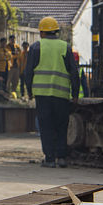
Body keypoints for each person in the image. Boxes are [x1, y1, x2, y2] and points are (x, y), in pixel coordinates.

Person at [23, 16, 81, 168]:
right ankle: (61, 158)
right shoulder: (65, 47)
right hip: (61, 95)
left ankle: (49, 159)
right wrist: (75, 94)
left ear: (42, 32)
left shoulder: (36, 47)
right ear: (56, 32)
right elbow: (74, 73)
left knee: (46, 126)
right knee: (61, 125)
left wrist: (29, 91)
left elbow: (28, 72)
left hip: (42, 95)